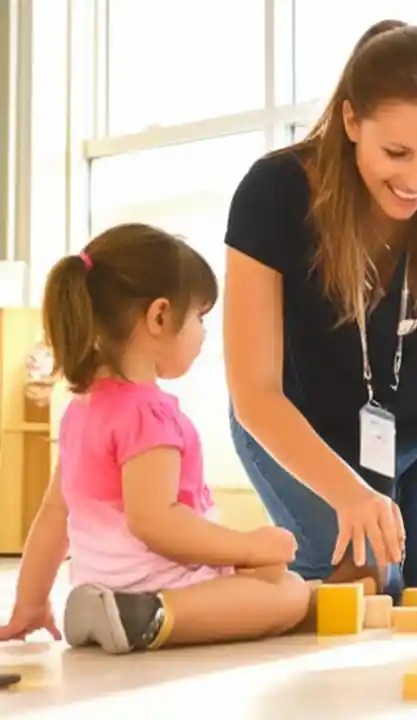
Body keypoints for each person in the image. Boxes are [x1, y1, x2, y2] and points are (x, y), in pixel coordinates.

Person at [222, 20, 417, 598]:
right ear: (351, 120)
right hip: (298, 424)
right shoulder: (275, 193)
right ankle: (266, 572)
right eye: (397, 152)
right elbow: (254, 392)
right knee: (366, 583)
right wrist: (352, 495)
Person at [0, 224, 310, 654]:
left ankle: (118, 612)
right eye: (200, 317)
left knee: (267, 578)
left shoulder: (82, 409)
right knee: (288, 592)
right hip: (154, 581)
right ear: (160, 316)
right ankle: (147, 616)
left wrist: (30, 604)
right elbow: (157, 523)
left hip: (97, 583)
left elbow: (56, 513)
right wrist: (249, 547)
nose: (203, 333)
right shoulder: (150, 414)